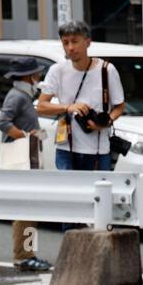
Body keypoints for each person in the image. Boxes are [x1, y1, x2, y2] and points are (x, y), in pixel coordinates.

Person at [37, 20, 126, 174]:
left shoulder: (107, 70)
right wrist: (68, 107)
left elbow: (119, 106)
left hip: (98, 149)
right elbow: (41, 106)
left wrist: (106, 122)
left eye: (75, 42)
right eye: (65, 42)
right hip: (65, 147)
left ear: (88, 42)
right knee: (69, 196)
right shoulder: (57, 70)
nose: (70, 47)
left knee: (98, 195)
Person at [0, 58, 52, 272]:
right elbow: (2, 122)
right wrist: (24, 136)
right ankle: (23, 256)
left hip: (28, 158)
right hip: (22, 159)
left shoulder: (24, 96)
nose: (38, 78)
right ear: (29, 76)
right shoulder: (18, 96)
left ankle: (28, 255)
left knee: (29, 208)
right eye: (37, 74)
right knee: (25, 208)